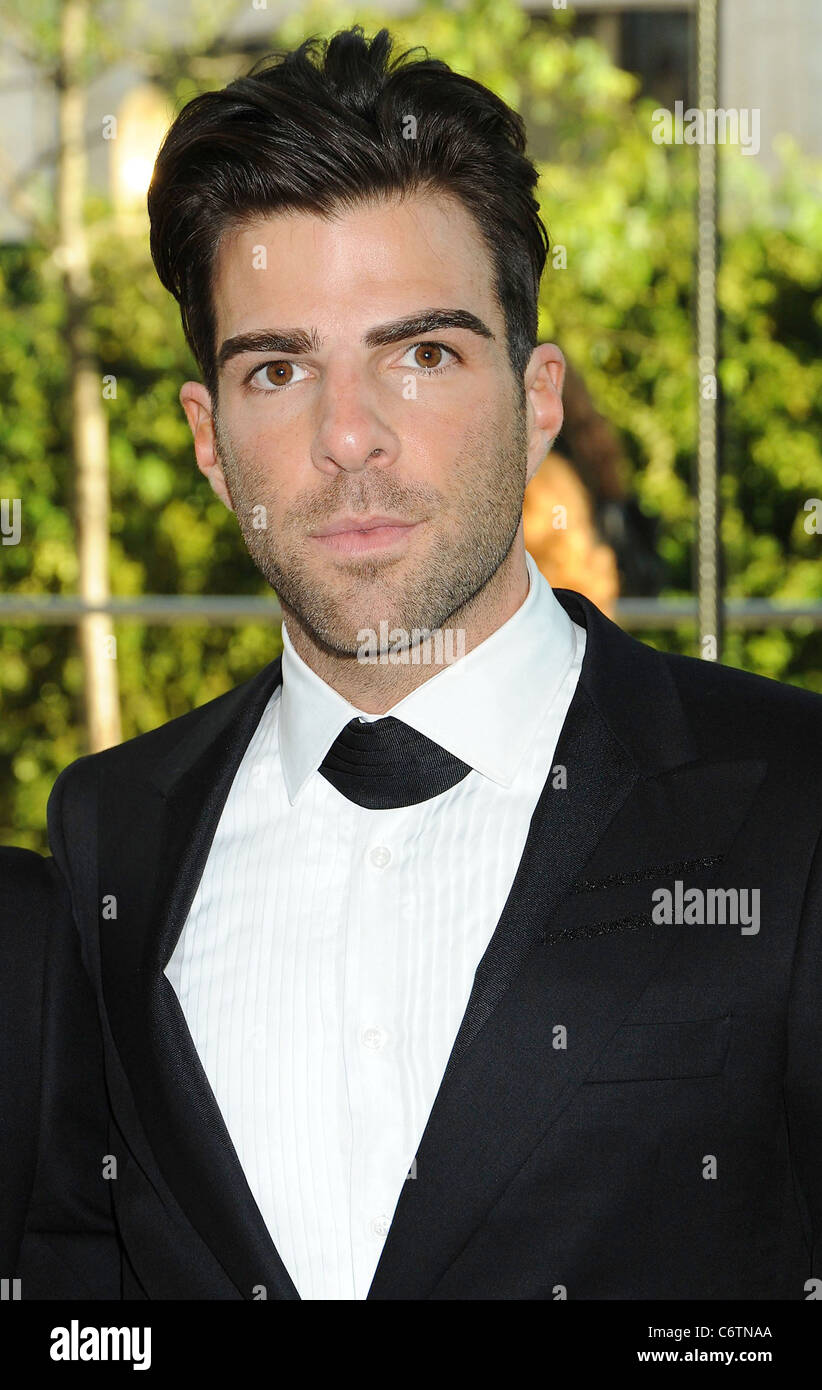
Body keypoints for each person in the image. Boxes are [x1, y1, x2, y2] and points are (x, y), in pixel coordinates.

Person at [20, 25, 822, 1300]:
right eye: (278, 368)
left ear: (537, 394)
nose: (350, 437)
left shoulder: (793, 803)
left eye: (422, 354)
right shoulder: (110, 839)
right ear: (210, 438)